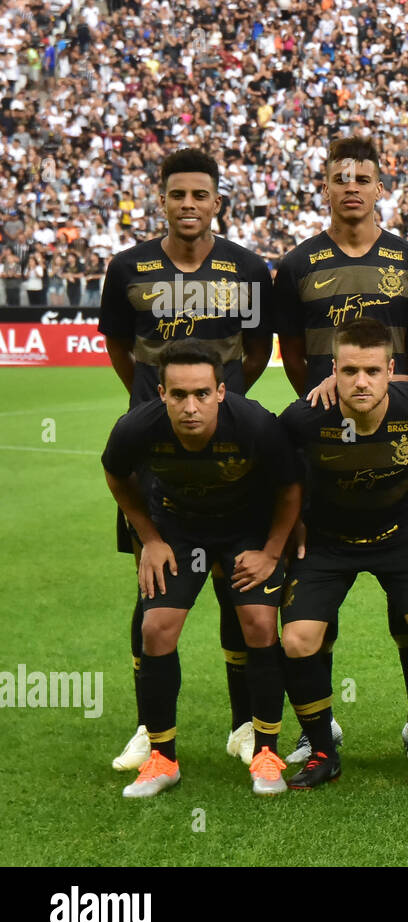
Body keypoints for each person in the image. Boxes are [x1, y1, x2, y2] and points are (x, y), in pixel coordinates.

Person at [98, 148, 274, 774]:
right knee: (152, 588)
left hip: (227, 448)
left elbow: (256, 350)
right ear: (162, 199)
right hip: (157, 450)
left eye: (201, 195)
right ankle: (151, 729)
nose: (189, 205)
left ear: (217, 201)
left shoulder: (248, 269)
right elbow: (120, 346)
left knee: (239, 588)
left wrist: (225, 401)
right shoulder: (128, 268)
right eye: (178, 195)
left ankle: (246, 725)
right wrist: (149, 402)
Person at [273, 136, 408, 764]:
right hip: (328, 442)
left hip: (395, 439)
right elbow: (291, 351)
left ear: (378, 187)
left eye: (362, 177)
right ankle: (320, 732)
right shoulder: (296, 263)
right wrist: (323, 403)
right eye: (339, 176)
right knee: (313, 598)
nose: (351, 186)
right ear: (326, 185)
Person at [102, 341, 301, 797]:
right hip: (179, 532)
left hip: (244, 531)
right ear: (161, 393)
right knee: (156, 629)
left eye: (201, 394)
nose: (190, 406)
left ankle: (266, 753)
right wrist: (150, 539)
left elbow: (290, 487)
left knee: (258, 622)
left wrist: (271, 552)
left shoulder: (255, 424)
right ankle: (162, 758)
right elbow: (116, 474)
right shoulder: (137, 427)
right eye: (178, 395)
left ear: (221, 392)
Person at [277, 318, 408, 789]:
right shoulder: (304, 418)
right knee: (298, 640)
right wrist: (286, 526)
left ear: (391, 370)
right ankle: (321, 750)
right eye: (350, 370)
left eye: (373, 371)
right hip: (328, 542)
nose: (361, 382)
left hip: (403, 536)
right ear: (333, 370)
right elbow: (274, 471)